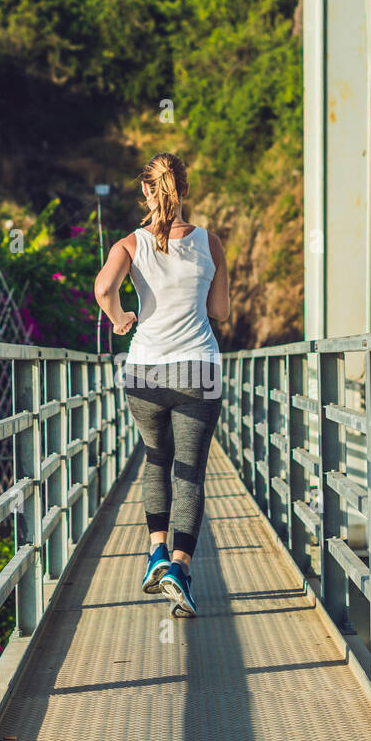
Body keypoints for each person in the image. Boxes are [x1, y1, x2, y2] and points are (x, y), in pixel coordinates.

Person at [93, 152, 230, 617]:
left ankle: (155, 549)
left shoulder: (128, 245)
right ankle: (179, 568)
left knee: (156, 461)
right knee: (189, 471)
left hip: (144, 372)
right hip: (198, 370)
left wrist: (121, 319)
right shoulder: (210, 243)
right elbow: (221, 312)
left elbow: (103, 289)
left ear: (147, 191)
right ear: (185, 190)